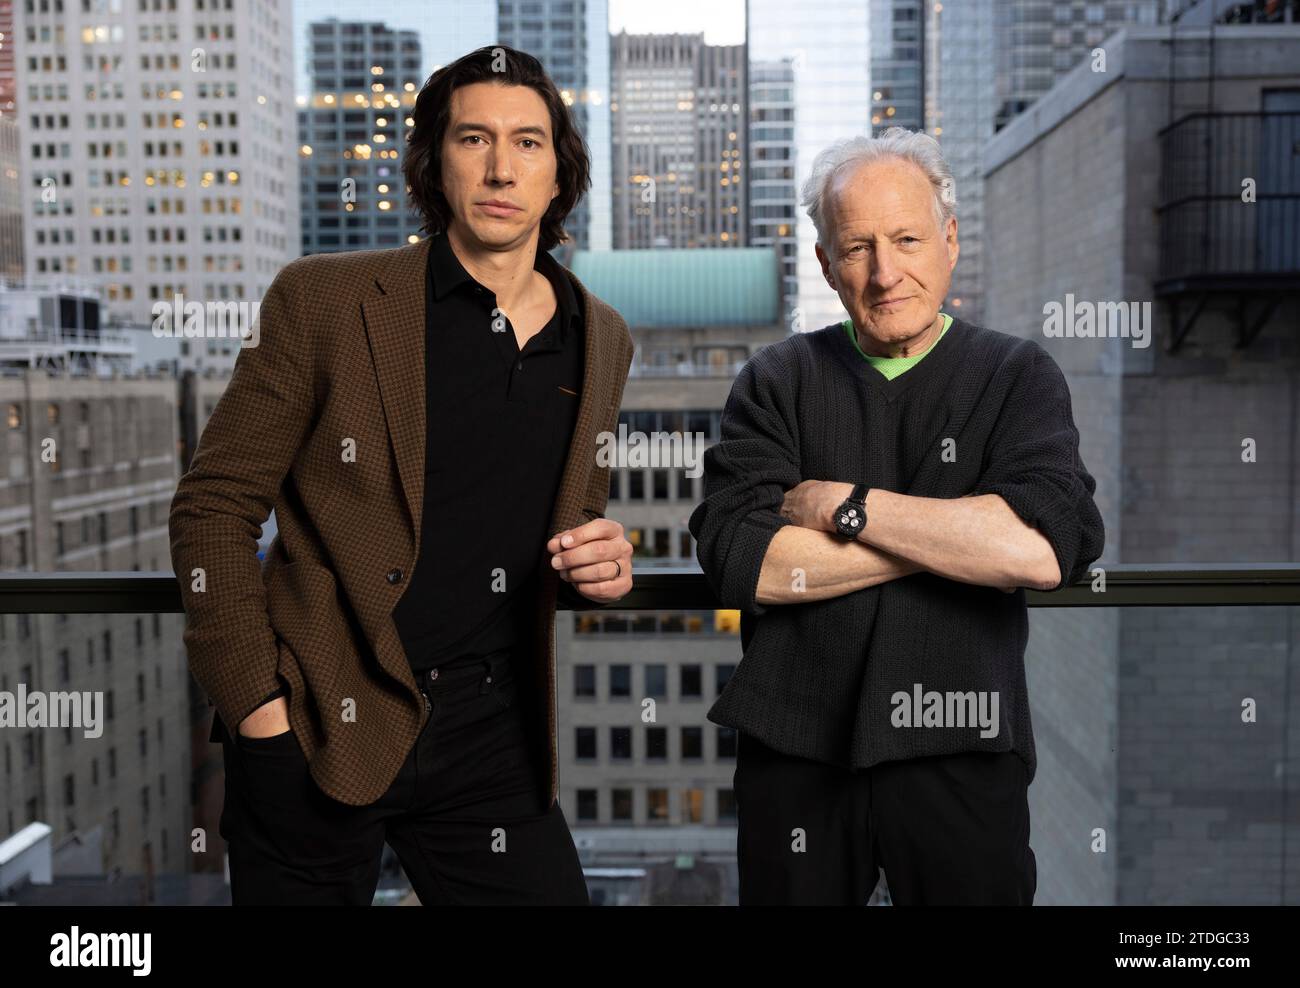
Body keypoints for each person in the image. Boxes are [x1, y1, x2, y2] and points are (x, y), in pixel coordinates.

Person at [169, 46, 635, 905]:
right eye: (473, 139)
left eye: (529, 142)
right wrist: (257, 716)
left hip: (495, 738)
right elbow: (212, 508)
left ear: (559, 172)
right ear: (433, 160)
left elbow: (560, 519)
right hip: (318, 720)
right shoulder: (324, 301)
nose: (501, 166)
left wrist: (603, 556)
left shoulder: (600, 334)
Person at [689, 127, 1105, 905]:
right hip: (795, 752)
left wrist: (846, 508)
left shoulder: (1016, 375)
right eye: (857, 248)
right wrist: (959, 535)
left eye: (908, 239)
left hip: (963, 743)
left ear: (949, 242)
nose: (886, 273)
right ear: (824, 264)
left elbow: (1045, 550)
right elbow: (746, 561)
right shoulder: (777, 380)